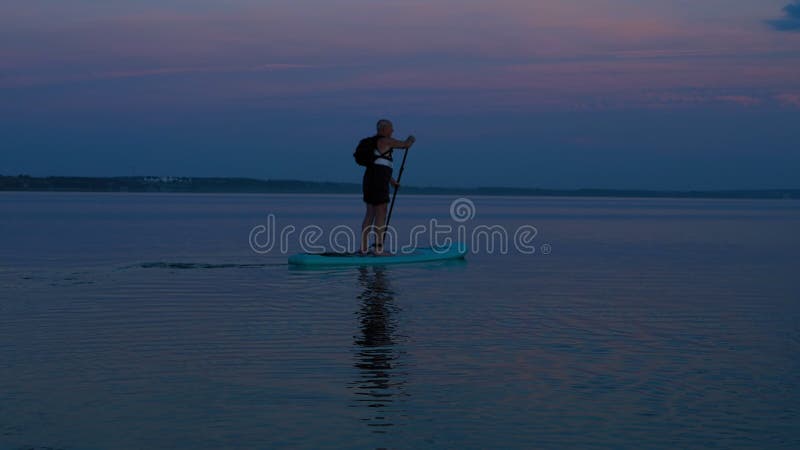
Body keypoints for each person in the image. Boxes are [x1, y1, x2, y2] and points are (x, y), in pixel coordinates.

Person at [360, 119, 415, 255]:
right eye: (391, 128)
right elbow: (405, 145)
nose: (393, 131)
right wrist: (410, 139)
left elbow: (380, 164)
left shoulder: (374, 143)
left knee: (370, 213)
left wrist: (391, 181)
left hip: (370, 179)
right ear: (383, 129)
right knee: (381, 213)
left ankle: (364, 248)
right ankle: (378, 249)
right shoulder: (385, 141)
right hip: (378, 180)